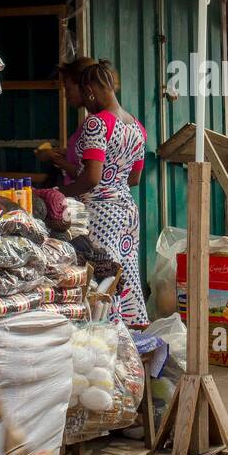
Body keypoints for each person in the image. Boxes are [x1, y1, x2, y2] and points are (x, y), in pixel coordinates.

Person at [62, 59, 149, 326]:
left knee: (102, 277)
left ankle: (106, 336)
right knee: (127, 274)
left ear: (90, 90)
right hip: (127, 210)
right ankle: (135, 336)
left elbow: (91, 178)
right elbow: (134, 178)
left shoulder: (96, 124)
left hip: (100, 212)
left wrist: (59, 192)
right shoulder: (137, 127)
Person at [38, 56, 98, 183]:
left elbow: (88, 177)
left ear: (84, 87)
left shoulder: (95, 125)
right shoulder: (93, 121)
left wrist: (55, 159)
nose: (66, 95)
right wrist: (64, 153)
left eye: (68, 88)